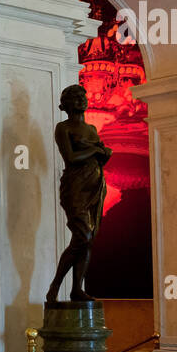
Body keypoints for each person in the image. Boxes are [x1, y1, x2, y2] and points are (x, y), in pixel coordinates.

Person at [46, 84, 112, 303]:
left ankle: (76, 289)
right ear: (66, 104)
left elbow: (100, 157)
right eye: (75, 97)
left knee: (88, 239)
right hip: (75, 186)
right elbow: (71, 158)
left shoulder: (91, 129)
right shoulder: (62, 128)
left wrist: (103, 152)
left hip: (95, 184)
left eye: (83, 97)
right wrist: (94, 149)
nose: (81, 100)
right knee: (83, 236)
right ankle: (55, 284)